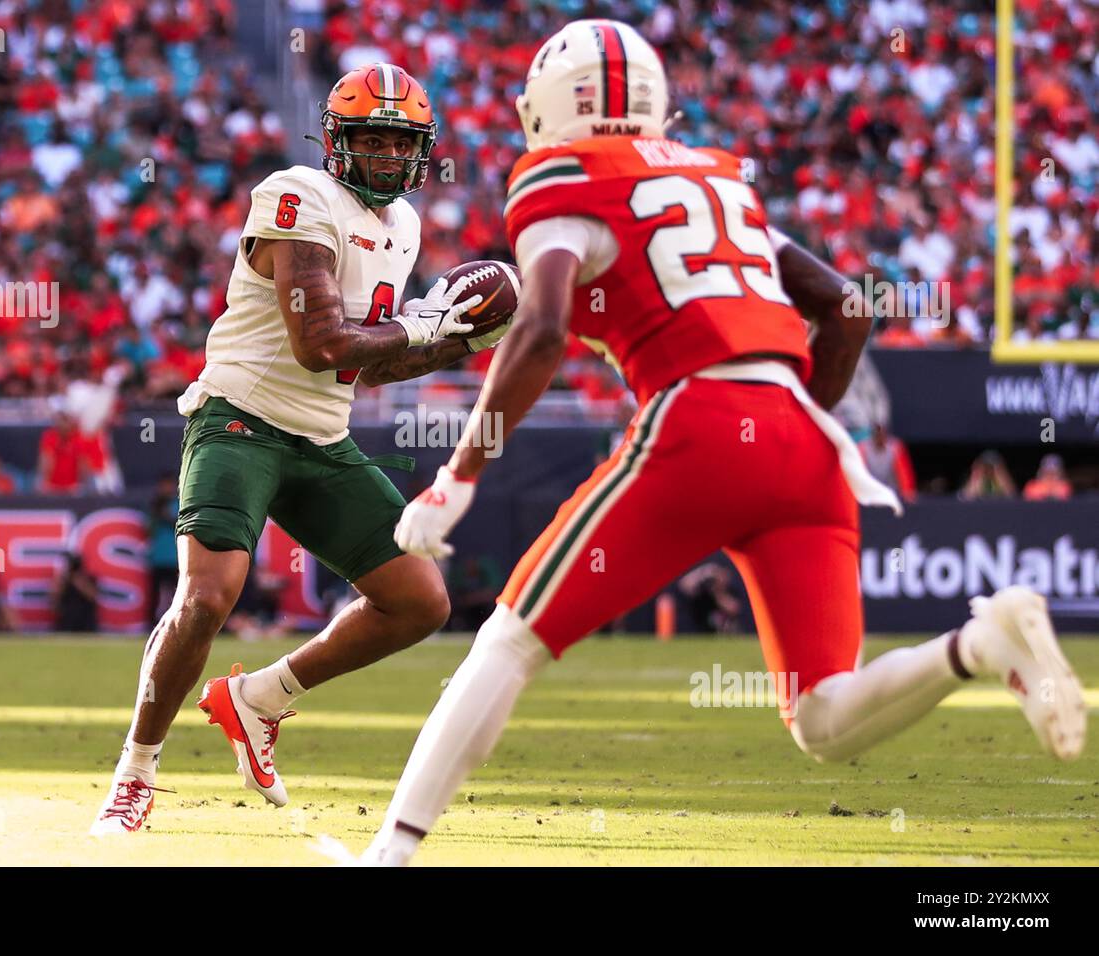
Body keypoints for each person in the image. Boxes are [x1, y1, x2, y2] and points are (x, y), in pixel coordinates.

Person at [361, 20, 1085, 865]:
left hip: (699, 419)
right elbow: (847, 309)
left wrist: (459, 474)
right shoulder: (718, 178)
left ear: (554, 106)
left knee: (512, 636)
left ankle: (391, 854)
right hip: (807, 439)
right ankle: (978, 644)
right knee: (824, 717)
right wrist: (787, 425)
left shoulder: (561, 176)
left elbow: (546, 326)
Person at [90, 62, 512, 834]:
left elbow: (369, 363)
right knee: (209, 595)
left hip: (322, 435)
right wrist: (425, 324)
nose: (387, 157)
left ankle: (258, 700)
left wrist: (456, 341)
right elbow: (319, 343)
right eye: (372, 139)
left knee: (420, 600)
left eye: (400, 143)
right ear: (336, 141)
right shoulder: (298, 194)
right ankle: (137, 770)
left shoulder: (405, 226)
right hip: (241, 419)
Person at [146, 473, 180, 620]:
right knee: (155, 594)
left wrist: (163, 515)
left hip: (176, 557)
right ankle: (151, 623)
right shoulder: (155, 505)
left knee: (178, 594)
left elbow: (179, 523)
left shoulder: (179, 503)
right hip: (158, 558)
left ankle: (177, 622)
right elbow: (149, 530)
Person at [857, 423, 917, 503]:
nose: (879, 437)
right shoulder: (863, 448)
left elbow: (904, 473)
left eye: (882, 434)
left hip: (891, 491)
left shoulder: (896, 447)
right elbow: (859, 472)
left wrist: (907, 491)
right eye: (877, 434)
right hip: (870, 490)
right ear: (873, 435)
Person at [52, 553, 98, 632]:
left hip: (86, 622)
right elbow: (54, 603)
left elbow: (93, 596)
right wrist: (60, 580)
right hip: (67, 621)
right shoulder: (64, 580)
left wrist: (77, 579)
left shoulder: (89, 578)